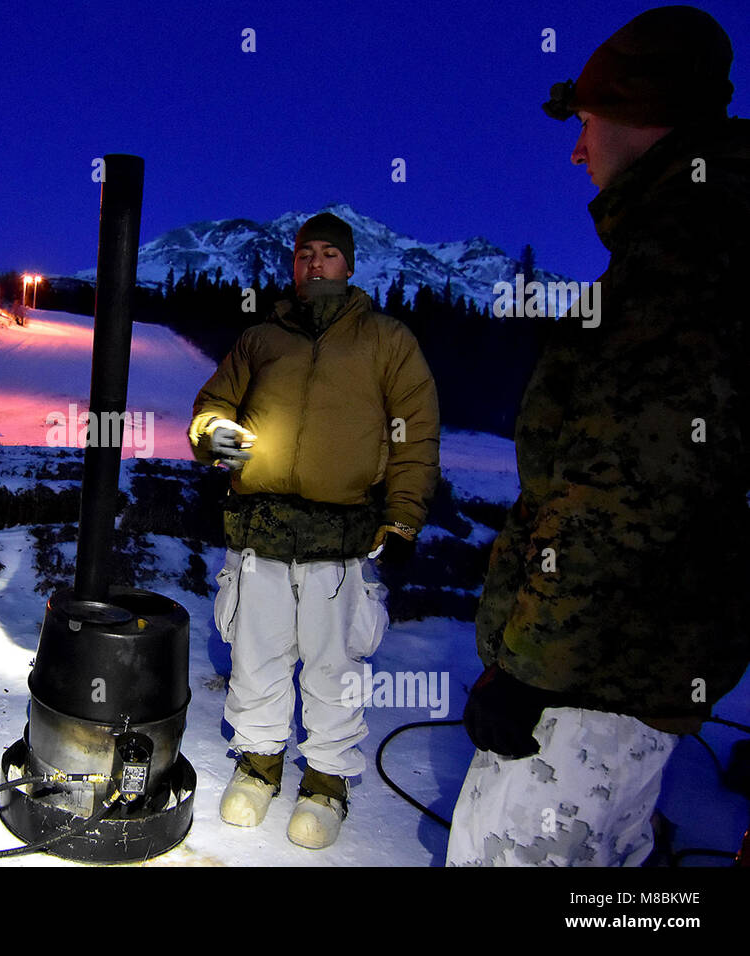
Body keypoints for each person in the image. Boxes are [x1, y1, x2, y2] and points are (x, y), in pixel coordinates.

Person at [448, 5, 750, 867]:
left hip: (595, 673)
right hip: (646, 663)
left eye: (586, 123)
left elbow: (627, 489)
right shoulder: (703, 234)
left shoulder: (683, 257)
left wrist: (531, 668)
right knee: (609, 863)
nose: (578, 149)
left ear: (642, 116)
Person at [188, 212, 440, 849]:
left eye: (328, 253)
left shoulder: (387, 339)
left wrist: (404, 518)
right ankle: (259, 764)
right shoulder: (261, 339)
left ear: (349, 264)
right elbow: (211, 407)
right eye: (304, 254)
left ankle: (327, 780)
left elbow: (415, 434)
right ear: (293, 263)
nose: (315, 264)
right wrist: (221, 441)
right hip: (261, 529)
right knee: (256, 657)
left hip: (343, 537)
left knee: (335, 666)